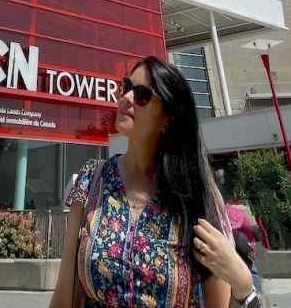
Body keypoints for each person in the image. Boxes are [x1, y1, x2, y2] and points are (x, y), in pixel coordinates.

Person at [50, 57, 260, 308]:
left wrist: (244, 285)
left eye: (141, 95)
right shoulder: (91, 181)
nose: (127, 98)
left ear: (167, 119)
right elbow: (64, 296)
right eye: (126, 87)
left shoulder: (195, 197)